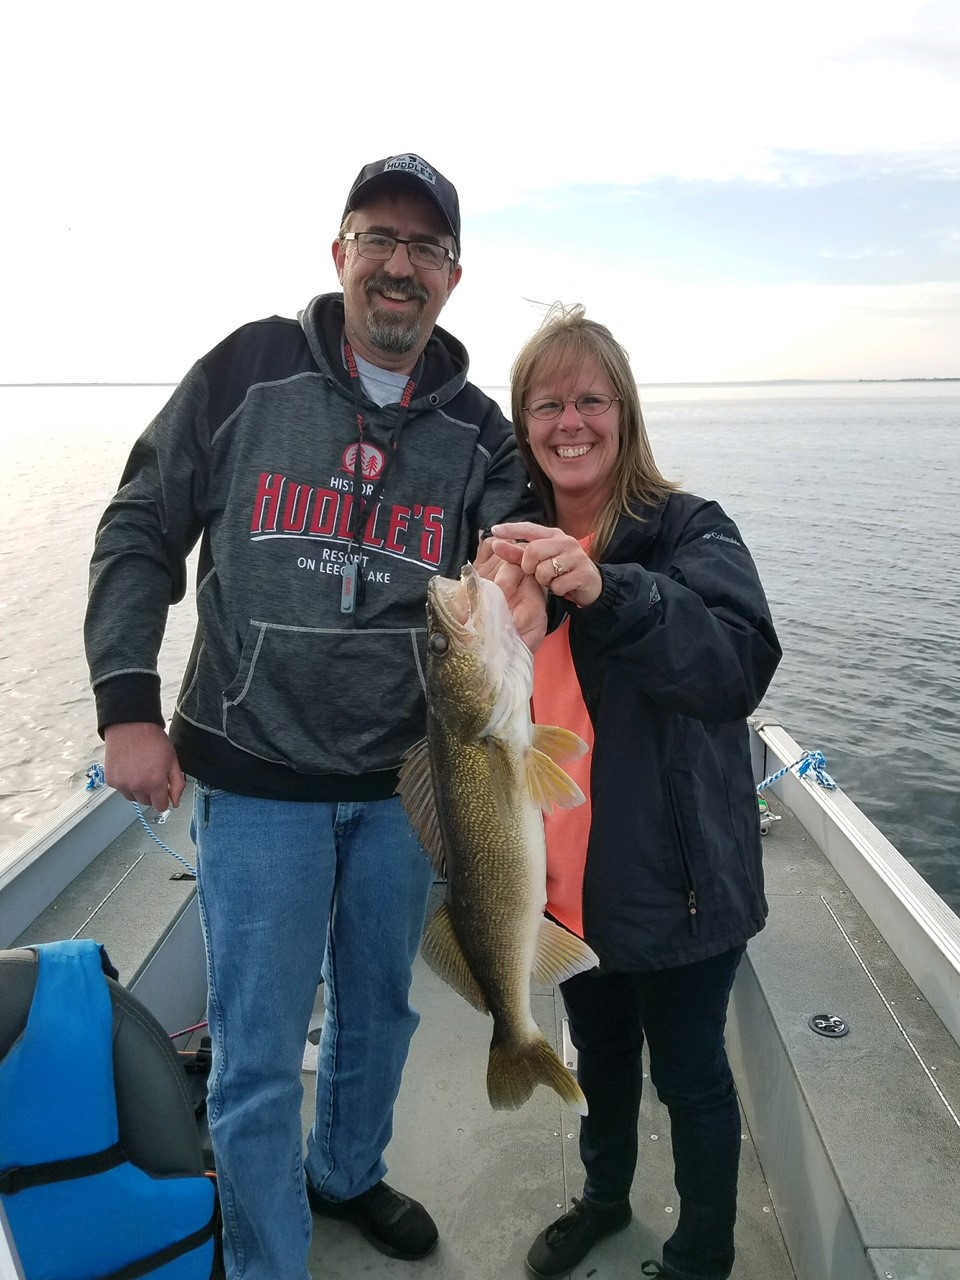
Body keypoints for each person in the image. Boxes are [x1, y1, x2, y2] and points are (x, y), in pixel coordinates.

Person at [84, 152, 539, 1280]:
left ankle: (346, 1169)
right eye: (377, 238)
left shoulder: (479, 426)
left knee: (381, 1012)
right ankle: (269, 1256)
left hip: (405, 782)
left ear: (452, 278)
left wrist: (523, 577)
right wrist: (126, 705)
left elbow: (516, 537)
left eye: (424, 248)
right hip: (255, 777)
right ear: (339, 254)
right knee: (252, 1050)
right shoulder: (248, 369)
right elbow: (141, 521)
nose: (399, 265)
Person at [486, 304, 781, 1280]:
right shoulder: (504, 547)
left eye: (589, 399)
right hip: (565, 880)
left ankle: (700, 1256)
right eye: (546, 403)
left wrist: (608, 590)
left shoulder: (688, 530)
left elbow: (733, 662)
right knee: (601, 1060)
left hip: (677, 879)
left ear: (626, 412)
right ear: (523, 422)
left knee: (693, 1078)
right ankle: (604, 1199)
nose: (570, 421)